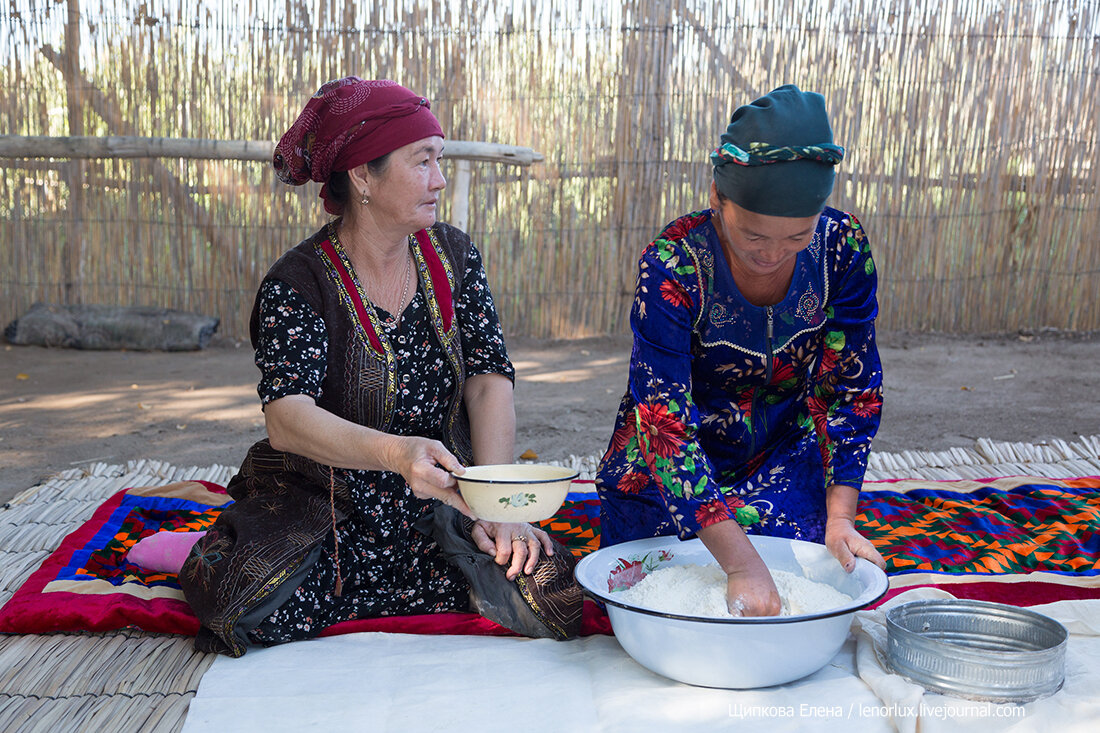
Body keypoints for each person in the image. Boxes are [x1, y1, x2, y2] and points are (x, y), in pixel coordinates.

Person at [131, 77, 580, 656]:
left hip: (445, 497)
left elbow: (489, 380)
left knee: (555, 596)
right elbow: (288, 419)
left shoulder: (454, 257)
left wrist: (495, 504)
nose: (440, 179)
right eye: (423, 162)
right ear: (364, 175)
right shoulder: (298, 283)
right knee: (237, 597)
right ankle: (222, 535)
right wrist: (396, 454)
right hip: (327, 504)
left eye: (439, 160)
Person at [595, 84, 887, 617]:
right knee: (650, 574)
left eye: (797, 237)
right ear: (716, 198)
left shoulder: (841, 247)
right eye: (753, 235)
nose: (773, 255)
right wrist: (739, 565)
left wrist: (840, 515)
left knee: (801, 567)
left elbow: (852, 388)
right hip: (669, 463)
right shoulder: (674, 265)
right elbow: (663, 424)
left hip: (780, 454)